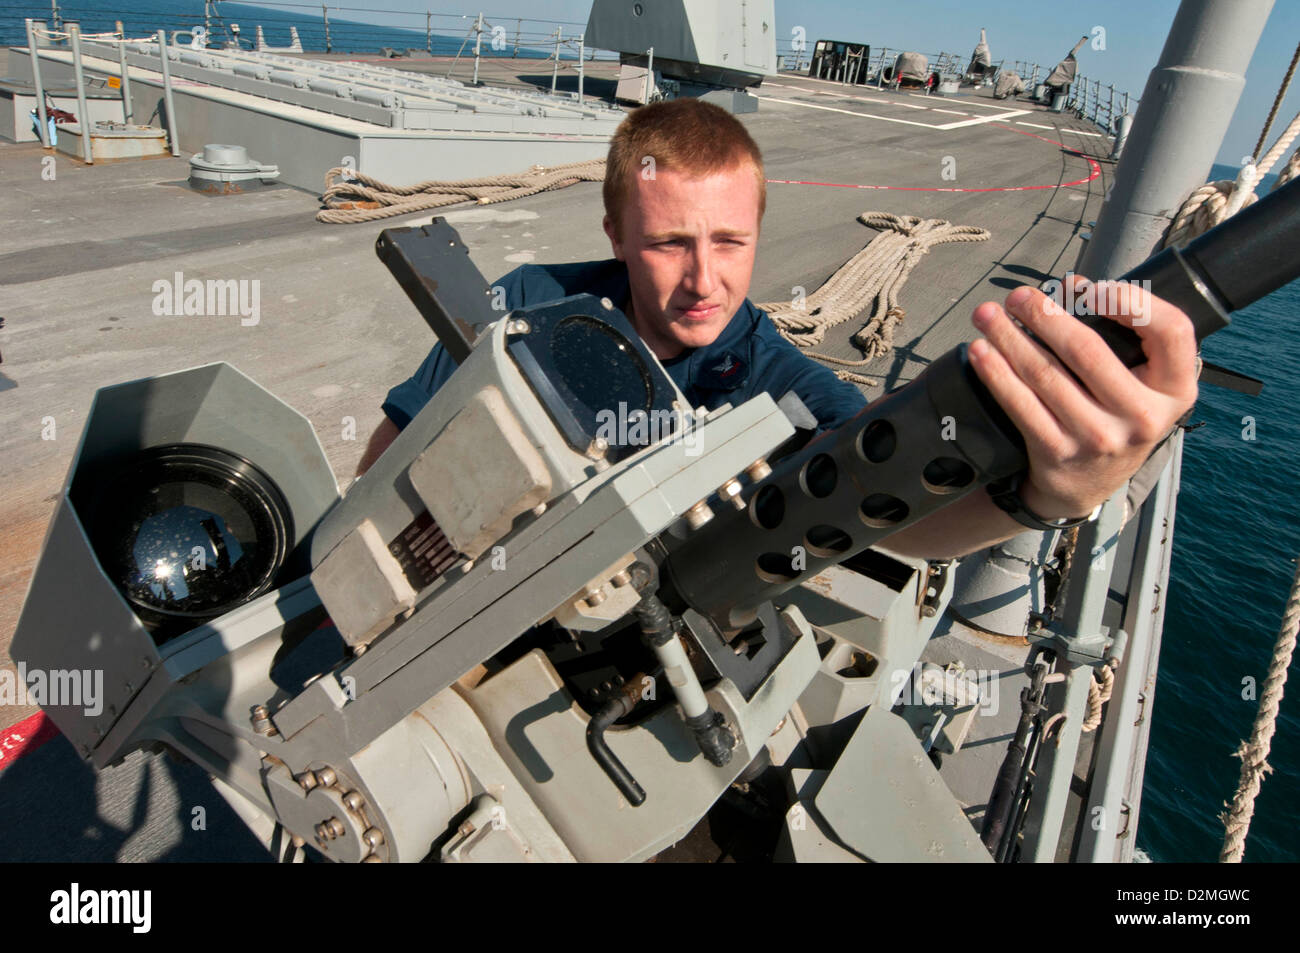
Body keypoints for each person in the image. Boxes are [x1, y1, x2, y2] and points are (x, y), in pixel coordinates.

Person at [359, 99, 1198, 560]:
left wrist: (1049, 495)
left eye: (730, 242)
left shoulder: (777, 381)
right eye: (667, 243)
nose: (705, 279)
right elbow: (398, 440)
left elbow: (903, 524)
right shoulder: (528, 300)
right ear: (615, 235)